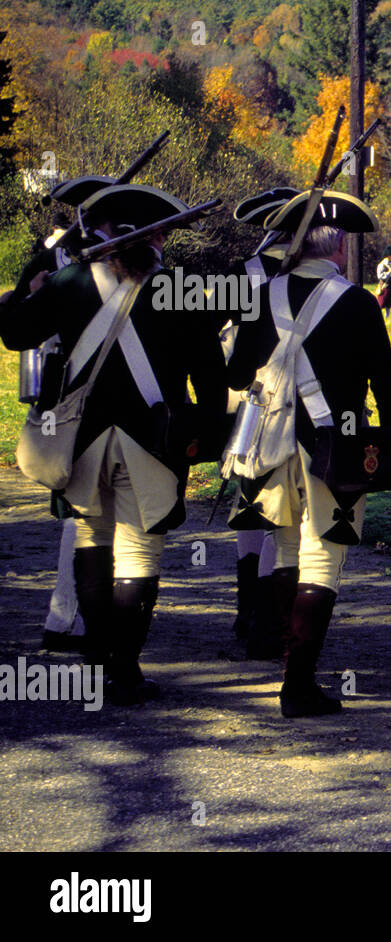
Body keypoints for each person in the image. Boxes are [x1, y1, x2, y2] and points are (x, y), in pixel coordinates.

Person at [1, 183, 227, 705]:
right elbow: (211, 377)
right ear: (152, 239)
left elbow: (13, 334)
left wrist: (29, 289)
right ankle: (123, 668)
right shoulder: (182, 290)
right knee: (139, 552)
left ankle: (97, 660)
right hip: (153, 440)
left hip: (81, 439)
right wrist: (203, 432)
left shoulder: (66, 281)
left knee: (91, 539)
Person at [225, 190, 391, 717]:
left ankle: (281, 659)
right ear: (339, 248)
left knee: (283, 548)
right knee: (322, 561)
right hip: (334, 447)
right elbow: (387, 387)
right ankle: (296, 685)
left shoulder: (264, 295)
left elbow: (235, 376)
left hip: (272, 444)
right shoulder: (357, 302)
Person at [0, 174, 116, 653]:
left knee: (89, 514)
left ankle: (75, 619)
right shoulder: (51, 260)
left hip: (102, 396)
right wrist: (27, 294)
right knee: (80, 513)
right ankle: (70, 620)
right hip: (66, 397)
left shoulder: (119, 255)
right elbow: (16, 324)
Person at [221, 187, 299, 656]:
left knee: (249, 505)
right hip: (282, 406)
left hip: (244, 404)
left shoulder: (243, 273)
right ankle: (259, 612)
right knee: (276, 513)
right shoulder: (297, 274)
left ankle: (248, 609)